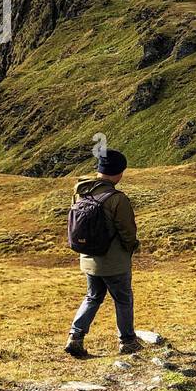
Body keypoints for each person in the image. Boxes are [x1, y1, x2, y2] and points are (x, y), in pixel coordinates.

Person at [65, 149, 141, 357]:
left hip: (88, 259)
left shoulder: (80, 192)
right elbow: (127, 231)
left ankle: (75, 336)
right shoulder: (118, 199)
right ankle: (128, 341)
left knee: (92, 297)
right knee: (123, 299)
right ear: (117, 173)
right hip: (114, 261)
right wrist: (131, 247)